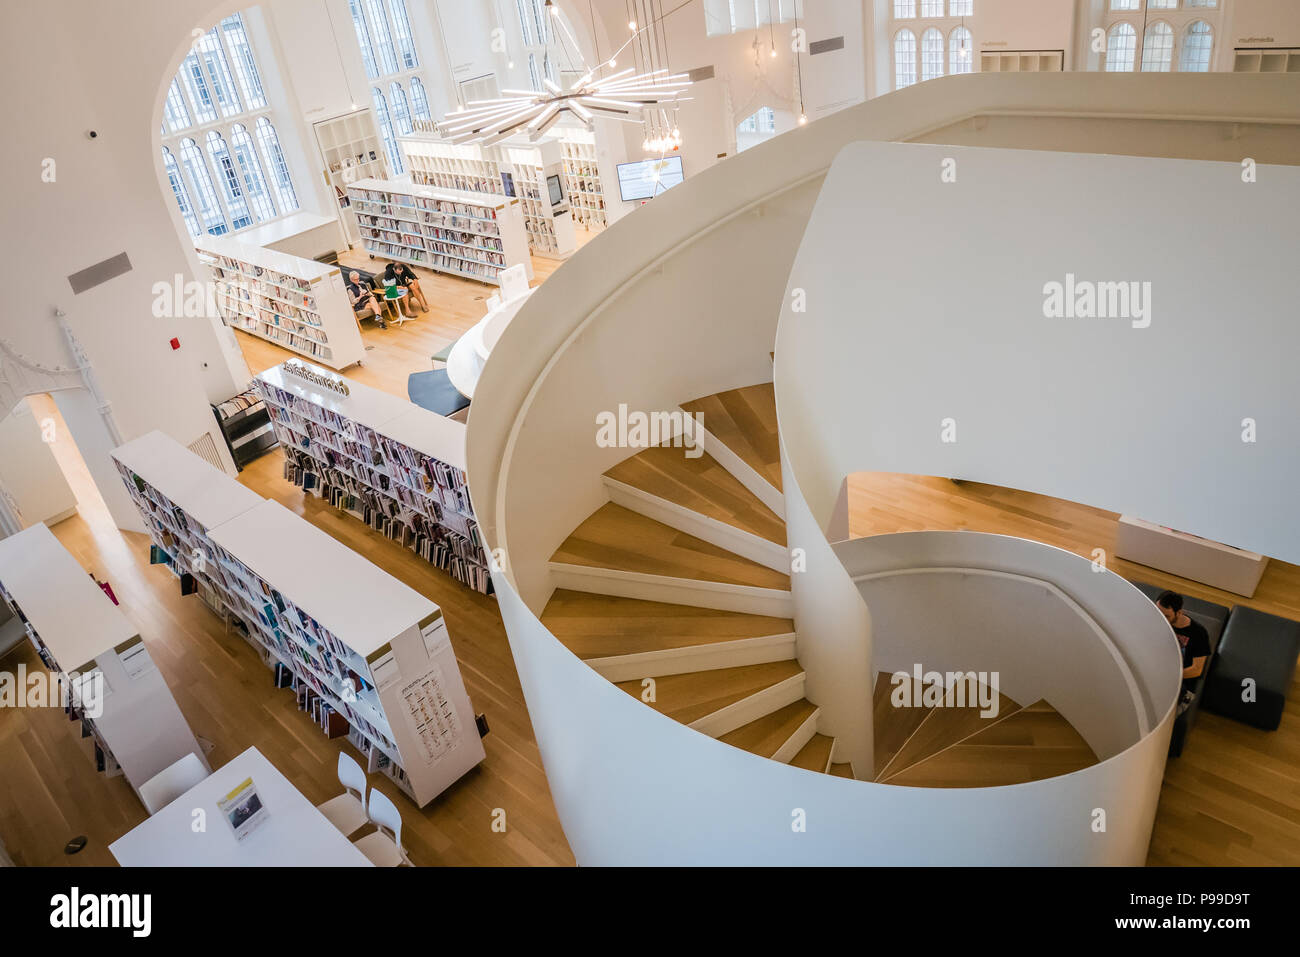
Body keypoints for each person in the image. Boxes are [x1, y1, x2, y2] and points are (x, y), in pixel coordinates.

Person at [1156, 590, 1210, 713]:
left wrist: (1169, 677)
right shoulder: (1157, 620)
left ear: (1179, 612)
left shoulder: (1198, 634)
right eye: (1158, 612)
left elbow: (1196, 669)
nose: (1161, 618)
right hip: (1160, 670)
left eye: (1167, 616)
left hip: (1182, 682)